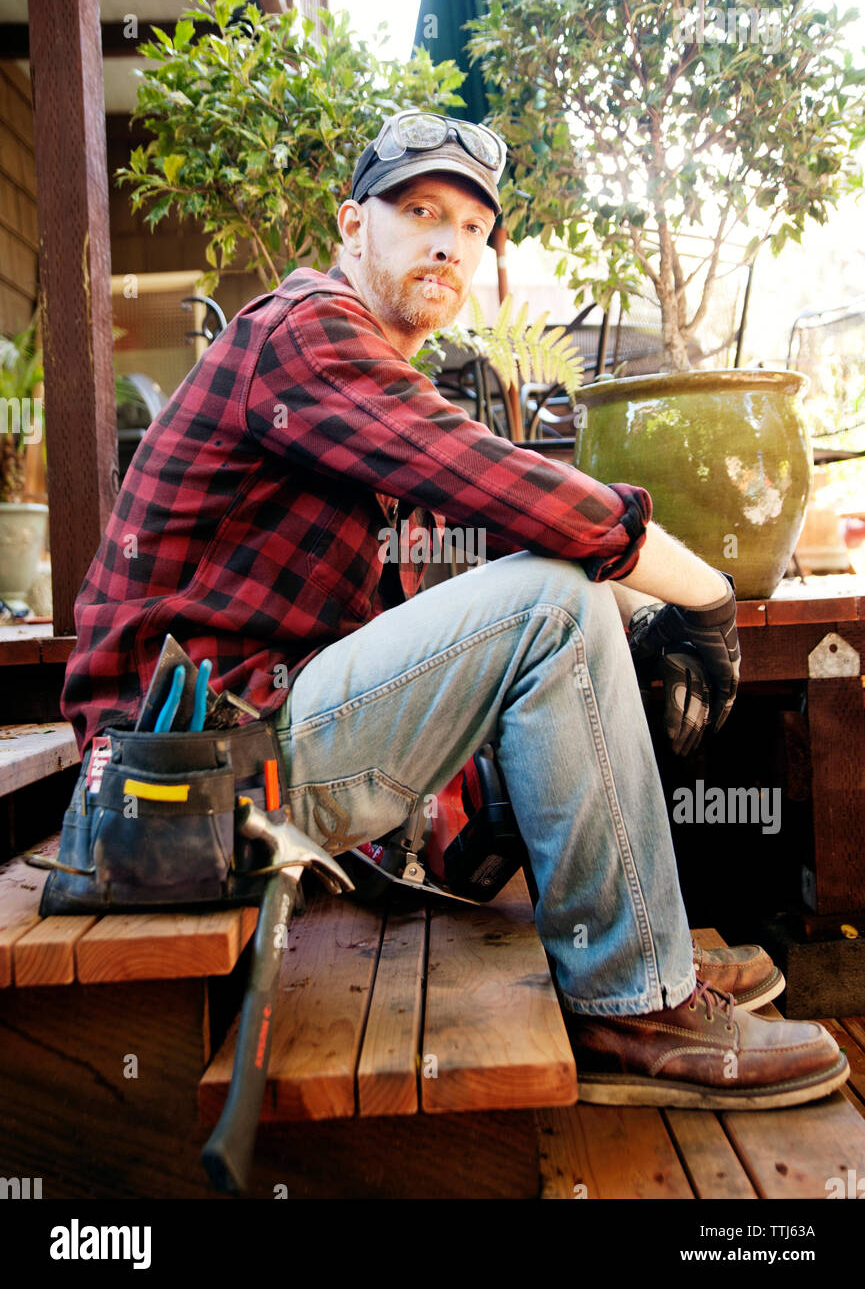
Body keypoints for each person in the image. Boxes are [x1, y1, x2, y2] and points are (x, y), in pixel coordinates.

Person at [60, 109, 848, 1110]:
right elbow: (498, 483)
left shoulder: (370, 372)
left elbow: (422, 617)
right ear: (352, 228)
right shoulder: (302, 331)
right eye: (418, 210)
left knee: (568, 599)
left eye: (472, 226)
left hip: (236, 760)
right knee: (554, 598)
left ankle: (637, 951)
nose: (448, 240)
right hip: (172, 793)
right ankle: (631, 998)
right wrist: (703, 594)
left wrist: (476, 802)